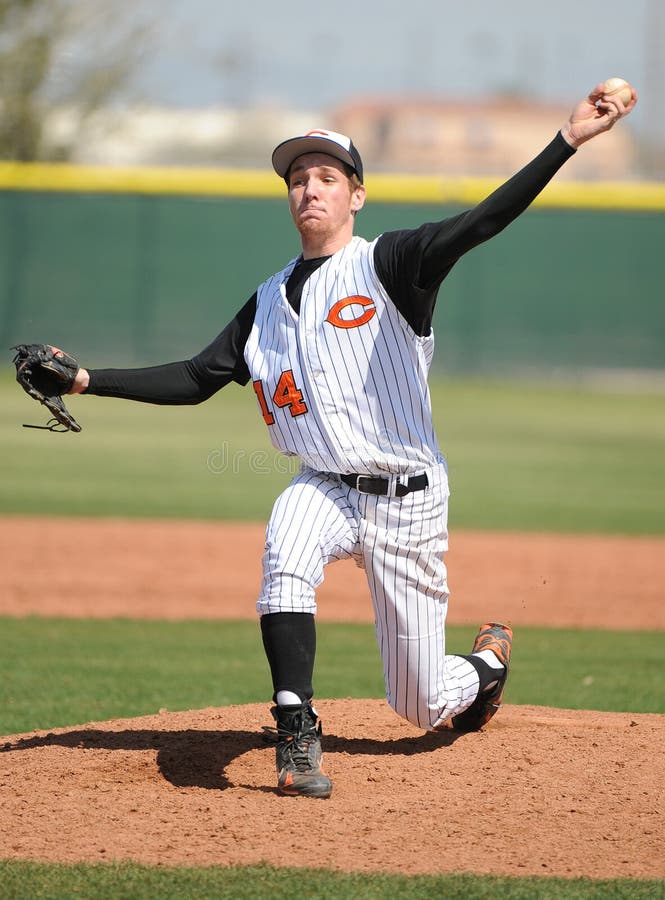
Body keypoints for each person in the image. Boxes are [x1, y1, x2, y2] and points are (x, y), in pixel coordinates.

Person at [63, 81, 636, 799]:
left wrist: (567, 140)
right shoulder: (267, 302)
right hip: (326, 486)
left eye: (327, 178)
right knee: (285, 542)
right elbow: (195, 376)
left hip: (408, 501)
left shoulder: (392, 264)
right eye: (298, 179)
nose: (310, 188)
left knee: (420, 706)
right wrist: (85, 379)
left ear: (355, 196)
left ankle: (485, 670)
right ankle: (295, 727)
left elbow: (483, 221)